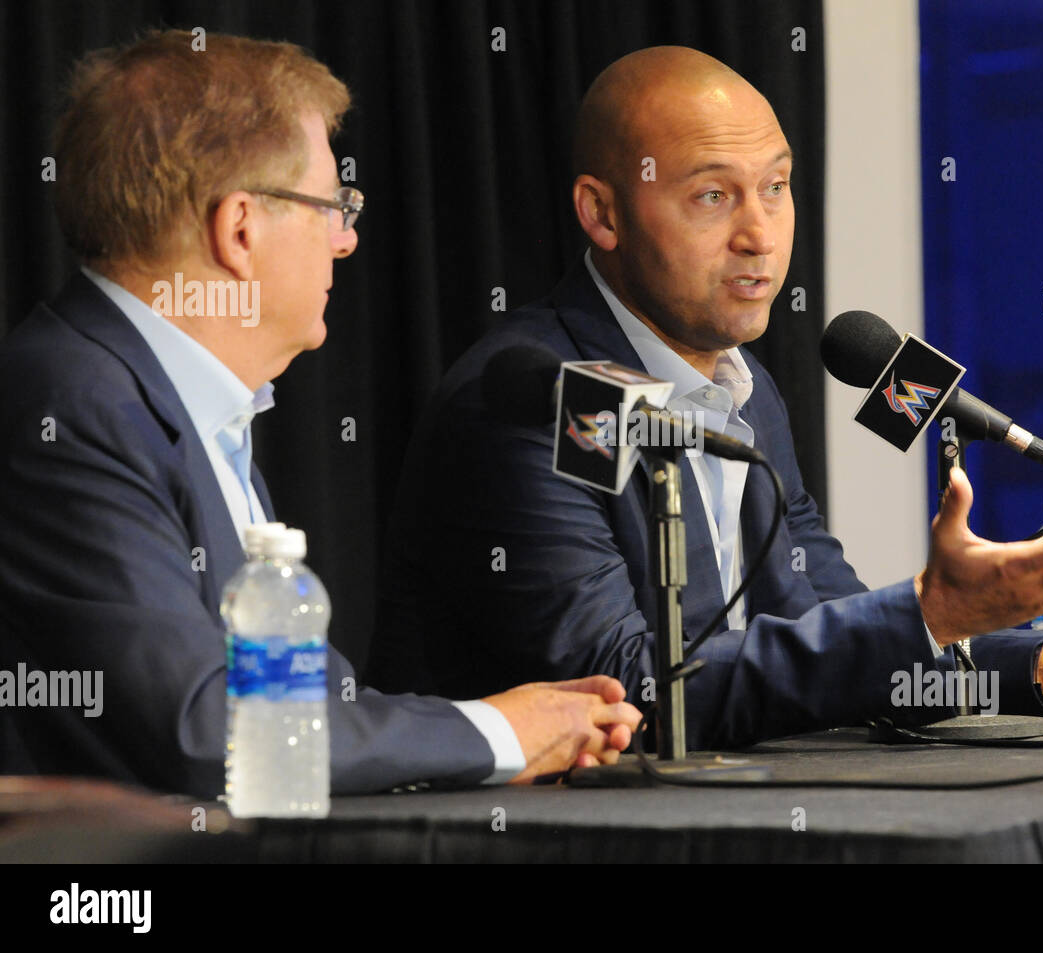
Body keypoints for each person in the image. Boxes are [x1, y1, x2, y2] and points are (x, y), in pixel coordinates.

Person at [370, 46, 1043, 747]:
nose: (759, 232)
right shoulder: (547, 397)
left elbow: (828, 620)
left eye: (776, 185)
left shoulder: (747, 389)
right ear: (602, 212)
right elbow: (632, 693)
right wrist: (932, 611)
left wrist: (1031, 663)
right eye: (712, 194)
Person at [0, 30, 640, 798]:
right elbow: (209, 732)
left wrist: (516, 725)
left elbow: (305, 704)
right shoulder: (74, 404)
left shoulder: (181, 400)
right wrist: (501, 731)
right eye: (333, 205)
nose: (346, 239)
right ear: (239, 230)